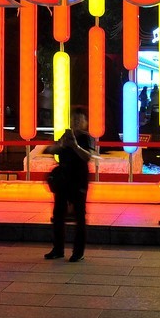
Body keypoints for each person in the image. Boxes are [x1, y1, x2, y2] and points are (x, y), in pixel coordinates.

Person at [44, 108, 94, 263]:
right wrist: (61, 145)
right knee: (58, 215)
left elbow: (88, 157)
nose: (76, 122)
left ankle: (78, 252)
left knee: (79, 216)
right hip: (63, 181)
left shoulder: (86, 138)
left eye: (80, 120)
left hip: (79, 181)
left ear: (85, 123)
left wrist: (75, 146)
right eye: (74, 119)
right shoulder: (65, 135)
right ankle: (58, 249)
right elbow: (50, 149)